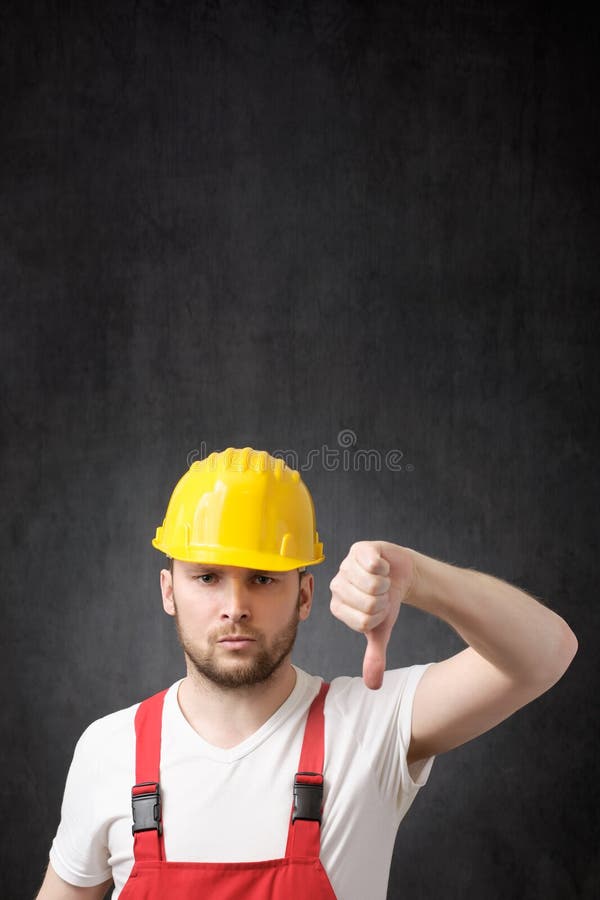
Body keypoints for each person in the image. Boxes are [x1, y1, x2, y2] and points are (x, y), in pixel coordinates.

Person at [36, 446, 578, 900]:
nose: (235, 606)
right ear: (167, 590)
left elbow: (548, 652)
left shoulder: (372, 726)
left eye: (264, 578)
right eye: (207, 577)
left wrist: (419, 579)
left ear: (305, 594)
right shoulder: (108, 751)